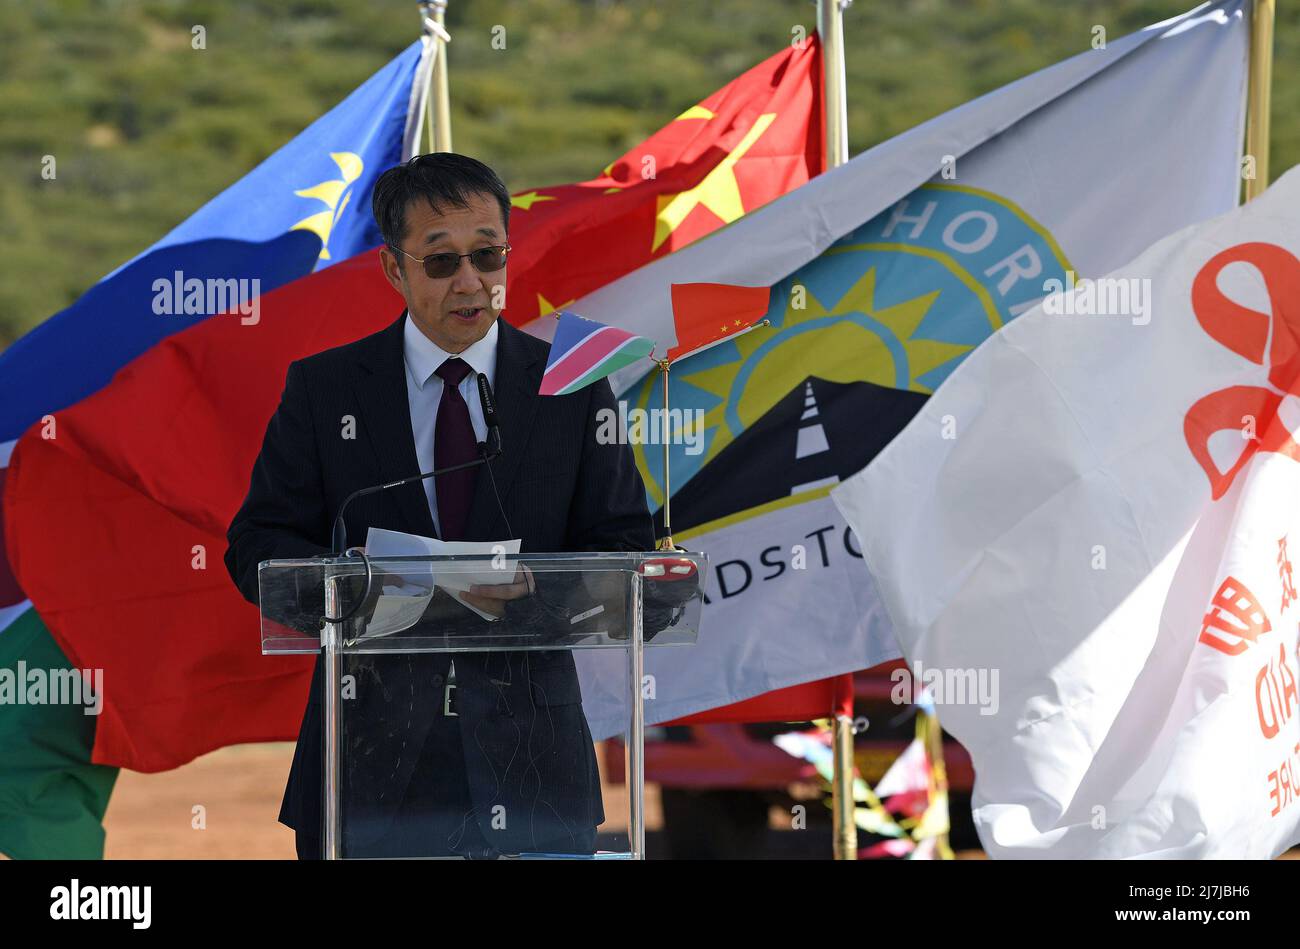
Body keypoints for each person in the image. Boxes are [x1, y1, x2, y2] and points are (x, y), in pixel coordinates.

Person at [224, 152, 653, 859]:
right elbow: (257, 546)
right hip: (367, 776)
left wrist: (541, 590)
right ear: (394, 268)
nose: (470, 281)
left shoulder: (571, 390)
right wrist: (354, 587)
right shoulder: (326, 391)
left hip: (535, 771)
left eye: (487, 256)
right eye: (441, 261)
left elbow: (624, 549)